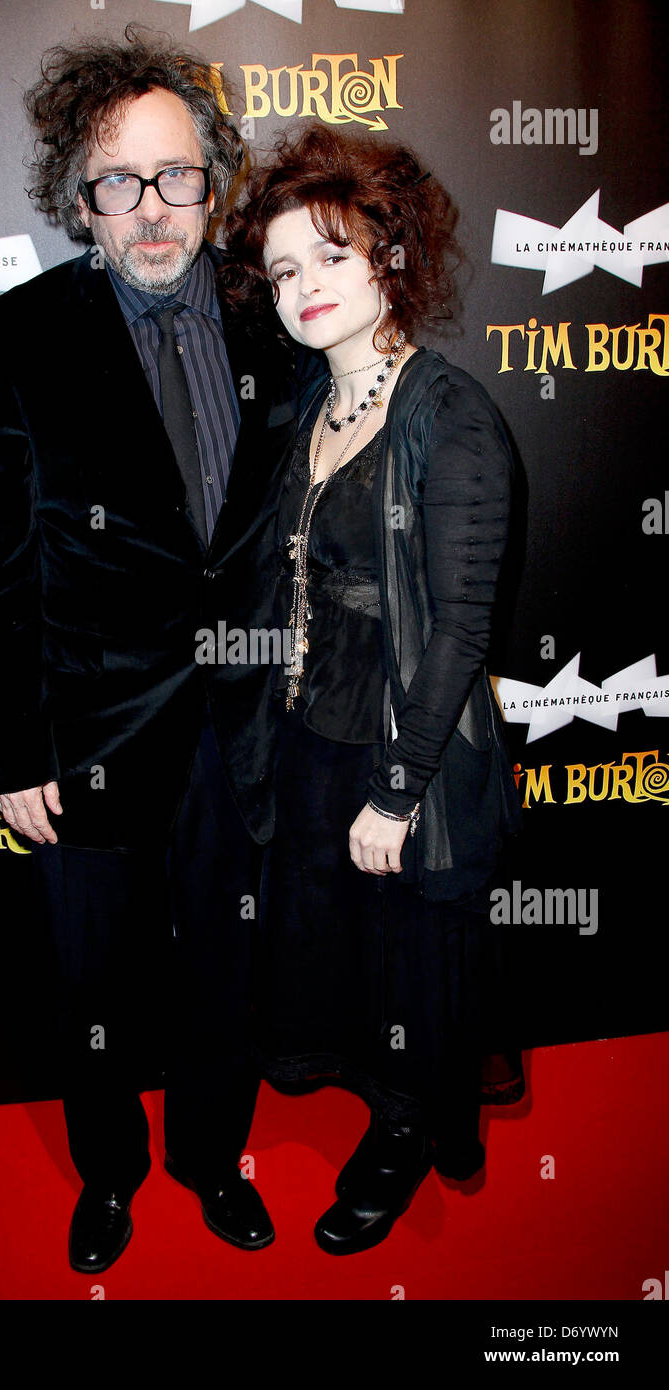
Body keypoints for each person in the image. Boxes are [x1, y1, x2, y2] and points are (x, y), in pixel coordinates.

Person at [0, 31, 305, 1272]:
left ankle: (213, 1159)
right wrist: (16, 747)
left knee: (230, 959)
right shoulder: (21, 337)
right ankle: (109, 1174)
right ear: (76, 199)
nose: (151, 210)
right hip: (90, 733)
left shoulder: (284, 320)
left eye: (175, 177)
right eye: (118, 181)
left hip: (246, 727)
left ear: (215, 184)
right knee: (93, 978)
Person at [222, 126, 523, 1254]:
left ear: (391, 256)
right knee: (334, 953)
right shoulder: (303, 408)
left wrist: (397, 791)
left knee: (405, 963)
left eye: (332, 257)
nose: (304, 286)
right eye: (286, 266)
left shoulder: (452, 417)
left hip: (400, 751)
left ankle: (403, 1131)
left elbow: (458, 630)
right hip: (307, 738)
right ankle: (367, 1091)